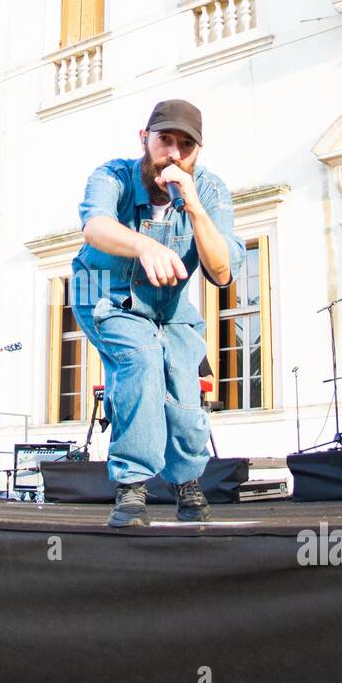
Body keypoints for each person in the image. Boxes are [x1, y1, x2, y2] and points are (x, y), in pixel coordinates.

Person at [71, 99, 245, 527]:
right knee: (142, 359)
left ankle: (185, 480)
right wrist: (145, 244)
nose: (173, 153)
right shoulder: (113, 175)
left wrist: (194, 207)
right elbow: (95, 226)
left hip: (165, 303)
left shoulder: (209, 190)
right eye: (164, 139)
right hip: (98, 287)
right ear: (144, 139)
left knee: (185, 380)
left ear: (197, 152)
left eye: (186, 145)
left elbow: (222, 272)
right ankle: (131, 487)